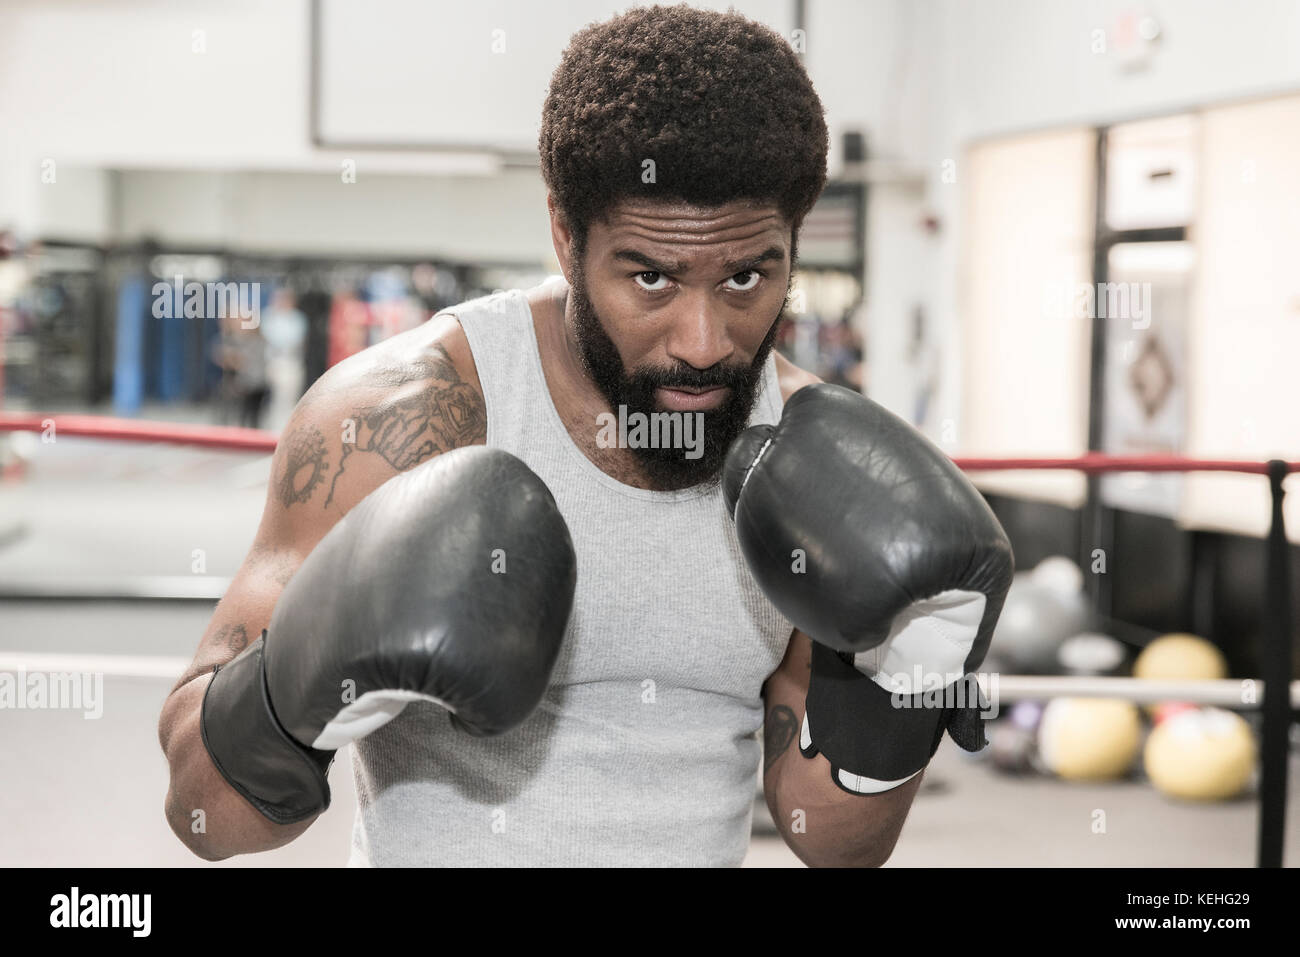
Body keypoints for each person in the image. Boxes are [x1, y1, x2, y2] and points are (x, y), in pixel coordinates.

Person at [157, 4, 1012, 867]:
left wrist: (900, 690)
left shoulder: (809, 465)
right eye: (651, 277)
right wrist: (297, 686)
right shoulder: (398, 421)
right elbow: (205, 820)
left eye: (749, 275)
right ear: (565, 236)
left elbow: (828, 842)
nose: (704, 341)